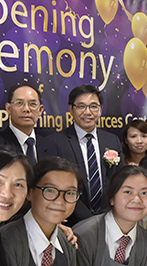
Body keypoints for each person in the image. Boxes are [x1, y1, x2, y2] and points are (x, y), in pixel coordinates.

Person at [48, 85, 124, 224]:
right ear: (71, 109)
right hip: (72, 221)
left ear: (100, 110)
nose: (88, 112)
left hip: (109, 219)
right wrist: (88, 219)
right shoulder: (55, 142)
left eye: (93, 106)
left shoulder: (112, 140)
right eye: (81, 106)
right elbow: (56, 186)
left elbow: (120, 180)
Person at [0, 83, 61, 160]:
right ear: (8, 108)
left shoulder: (52, 147)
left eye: (32, 104)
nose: (26, 109)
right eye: (19, 103)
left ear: (40, 110)